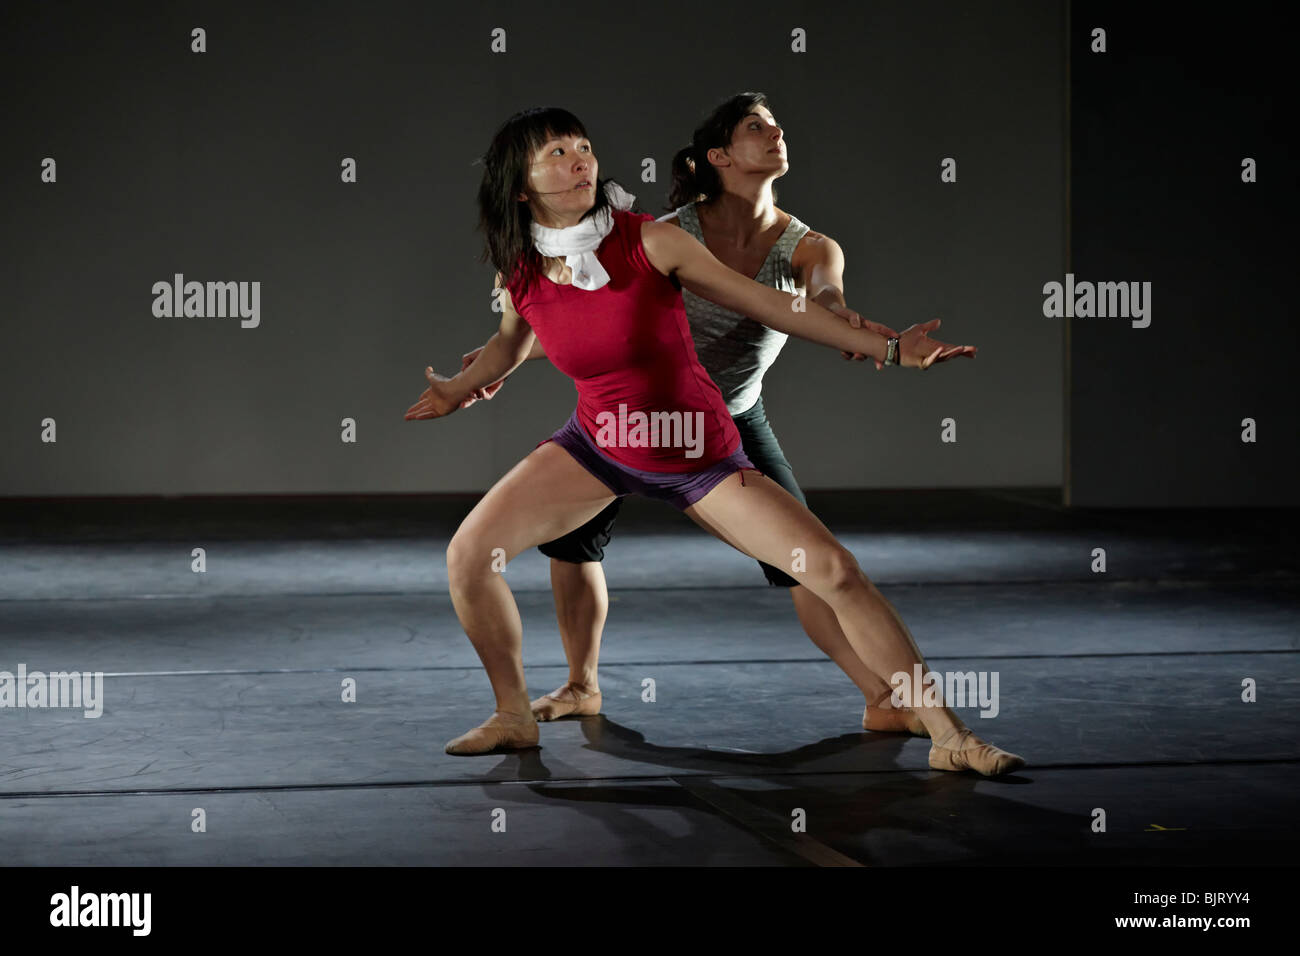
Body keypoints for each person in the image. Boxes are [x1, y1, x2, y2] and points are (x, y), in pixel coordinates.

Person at [405, 106, 1024, 777]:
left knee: (834, 571)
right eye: (557, 151)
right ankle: (514, 715)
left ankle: (948, 732)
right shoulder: (521, 267)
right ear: (520, 186)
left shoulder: (652, 242)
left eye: (583, 146)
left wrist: (891, 348)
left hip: (699, 454)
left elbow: (771, 305)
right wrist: (459, 387)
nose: (580, 158)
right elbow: (509, 342)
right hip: (599, 446)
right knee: (470, 555)